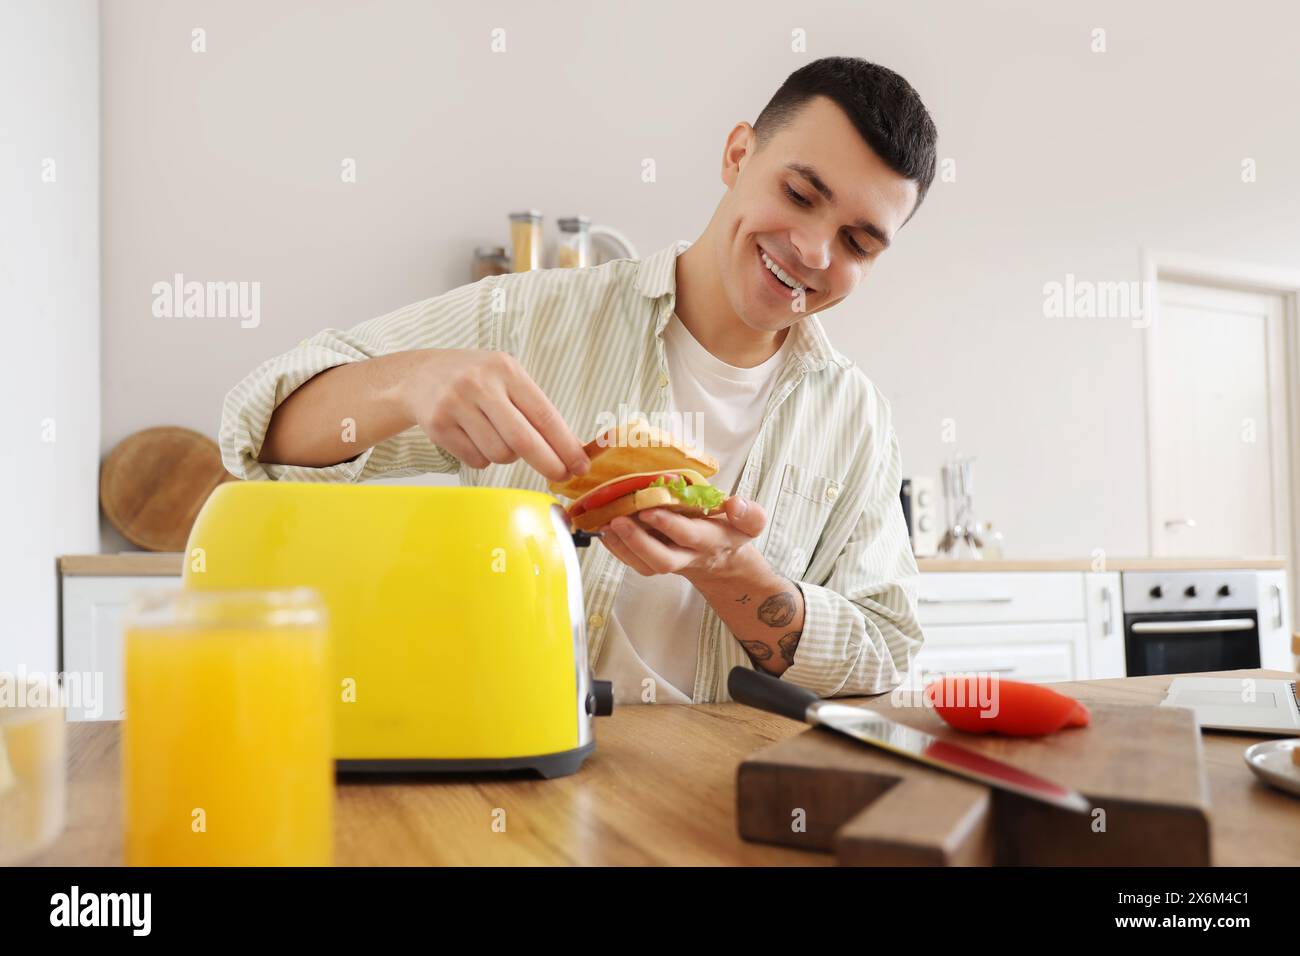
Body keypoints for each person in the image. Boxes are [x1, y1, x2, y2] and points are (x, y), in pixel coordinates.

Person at [220, 56, 938, 705]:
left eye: (857, 242)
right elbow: (258, 437)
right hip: (520, 786)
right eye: (800, 194)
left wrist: (732, 572)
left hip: (726, 808)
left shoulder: (857, 419)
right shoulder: (526, 317)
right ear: (738, 153)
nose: (813, 251)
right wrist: (407, 382)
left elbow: (886, 649)